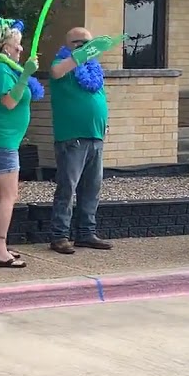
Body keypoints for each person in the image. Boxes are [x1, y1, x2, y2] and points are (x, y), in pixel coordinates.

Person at [0, 18, 42, 269]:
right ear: (5, 47)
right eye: (17, 45)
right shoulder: (1, 70)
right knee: (8, 195)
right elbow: (9, 101)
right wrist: (25, 75)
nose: (20, 50)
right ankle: (0, 249)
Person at [45, 27, 113, 254]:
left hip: (95, 136)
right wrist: (83, 53)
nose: (87, 47)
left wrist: (104, 122)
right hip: (71, 137)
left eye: (89, 43)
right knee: (67, 187)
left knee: (92, 187)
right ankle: (59, 235)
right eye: (81, 42)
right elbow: (55, 72)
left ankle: (86, 233)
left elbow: (99, 98)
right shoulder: (62, 62)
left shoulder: (94, 68)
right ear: (71, 44)